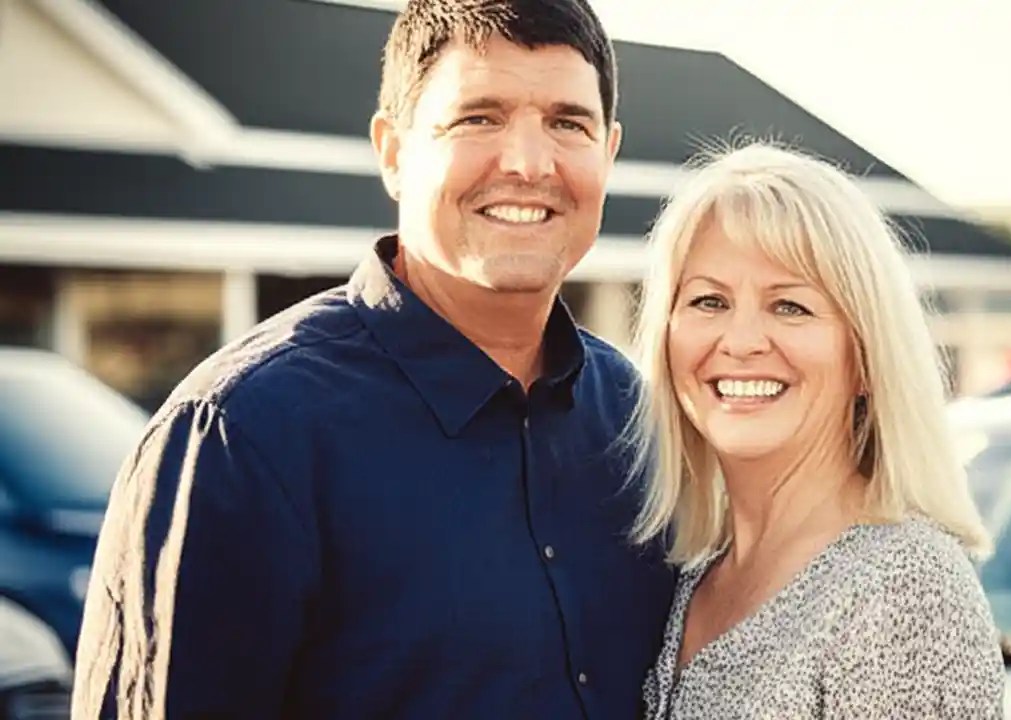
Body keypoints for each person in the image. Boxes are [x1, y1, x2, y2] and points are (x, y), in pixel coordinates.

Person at [70, 2, 674, 718]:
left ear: (607, 153)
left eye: (567, 124)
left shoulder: (642, 425)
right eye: (479, 117)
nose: (528, 163)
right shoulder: (243, 433)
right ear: (393, 151)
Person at [629, 143, 1006, 718]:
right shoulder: (694, 578)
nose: (741, 341)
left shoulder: (904, 590)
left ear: (866, 357)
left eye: (790, 307)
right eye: (709, 301)